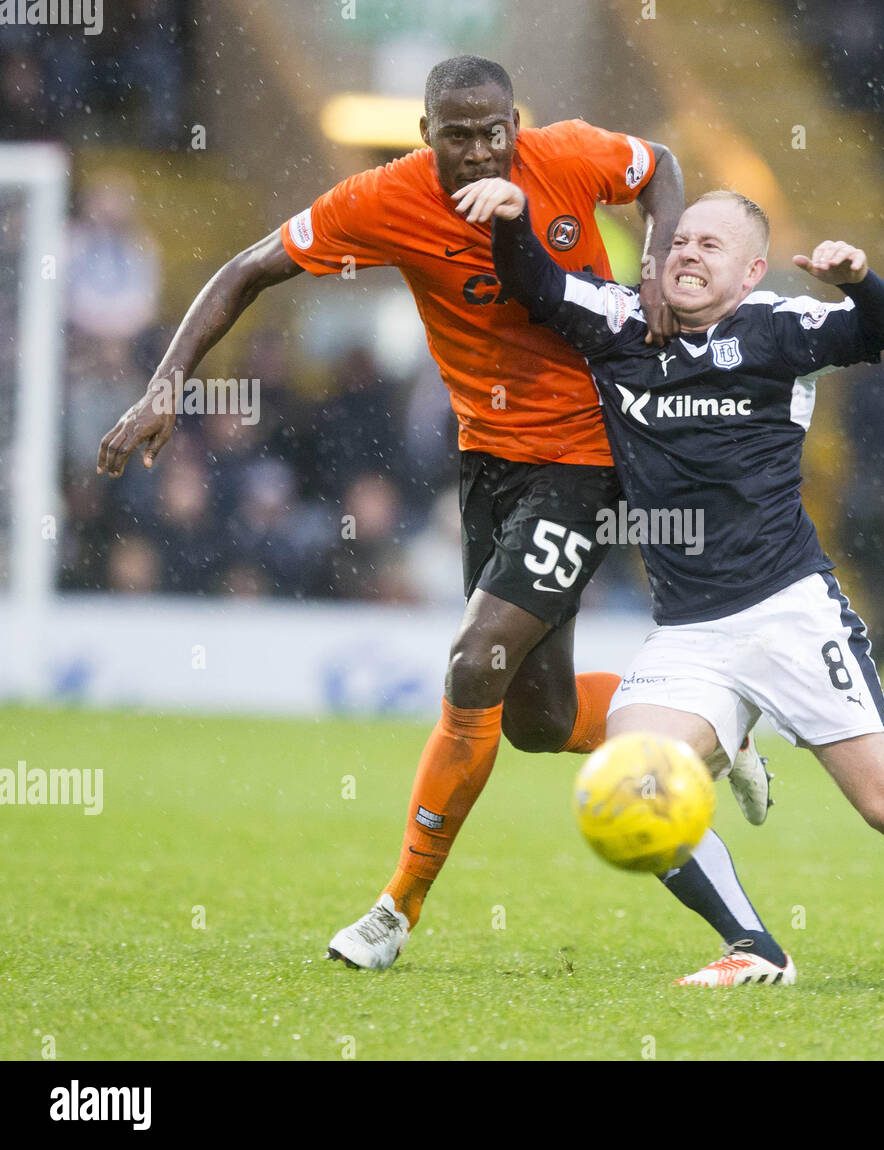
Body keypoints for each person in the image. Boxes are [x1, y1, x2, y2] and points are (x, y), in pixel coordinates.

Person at [97, 55, 770, 973]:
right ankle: (714, 717)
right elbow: (245, 269)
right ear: (426, 137)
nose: (482, 150)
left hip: (588, 456)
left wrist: (655, 260)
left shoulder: (567, 157)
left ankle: (395, 910)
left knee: (472, 657)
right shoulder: (384, 200)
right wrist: (164, 385)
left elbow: (658, 167)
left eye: (495, 130)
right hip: (489, 462)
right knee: (539, 716)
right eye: (458, 135)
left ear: (516, 123)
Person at [462, 175, 884, 984]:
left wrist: (857, 280)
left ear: (752, 272)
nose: (689, 254)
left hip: (788, 613)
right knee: (634, 786)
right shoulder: (622, 321)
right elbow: (532, 282)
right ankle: (755, 949)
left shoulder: (779, 329)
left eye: (712, 246)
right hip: (691, 630)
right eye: (682, 240)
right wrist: (515, 220)